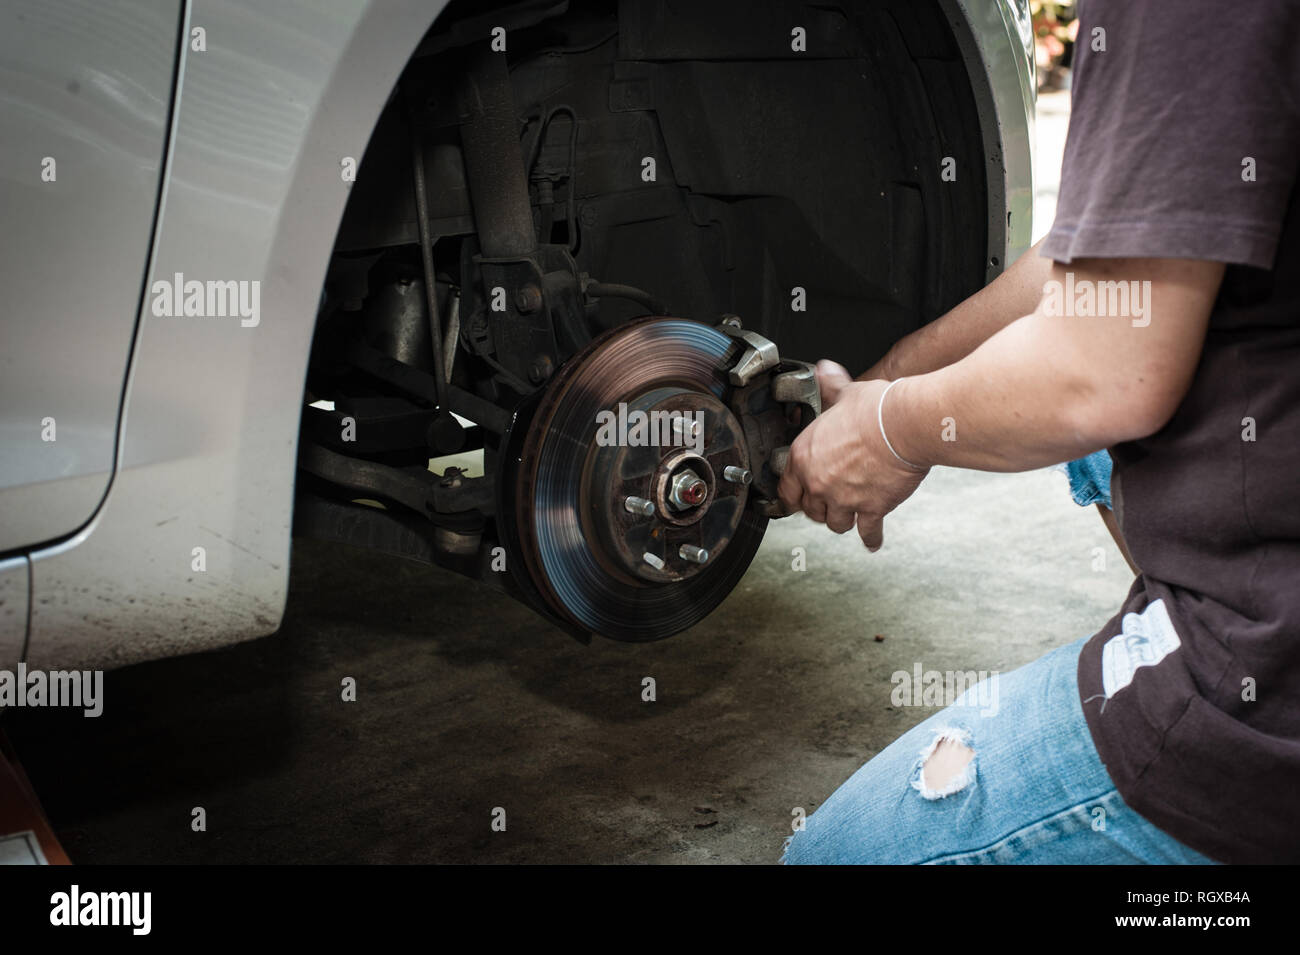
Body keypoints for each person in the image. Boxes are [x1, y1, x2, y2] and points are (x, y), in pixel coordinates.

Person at [779, 0, 1299, 865]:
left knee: (830, 857)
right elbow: (1095, 257)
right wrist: (892, 376)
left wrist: (889, 434)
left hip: (1271, 696)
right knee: (1101, 444)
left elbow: (1105, 369)